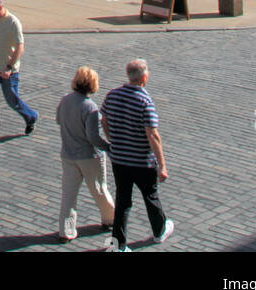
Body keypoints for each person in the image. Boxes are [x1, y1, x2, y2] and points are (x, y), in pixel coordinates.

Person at [101, 58, 173, 253]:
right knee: (151, 196)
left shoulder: (112, 95)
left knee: (123, 201)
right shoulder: (145, 101)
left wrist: (113, 139)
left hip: (119, 160)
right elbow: (153, 135)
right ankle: (159, 231)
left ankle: (118, 245)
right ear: (144, 77)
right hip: (142, 162)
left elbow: (104, 120)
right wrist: (162, 164)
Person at [55, 67, 115, 241]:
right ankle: (110, 218)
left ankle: (66, 231)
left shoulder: (65, 99)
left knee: (68, 194)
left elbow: (59, 120)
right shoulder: (91, 107)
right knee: (100, 189)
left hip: (67, 154)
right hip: (89, 157)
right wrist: (108, 147)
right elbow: (93, 137)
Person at [0, 0, 38, 145]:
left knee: (12, 101)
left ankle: (31, 116)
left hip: (8, 71)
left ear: (0, 8)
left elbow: (20, 47)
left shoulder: (13, 22)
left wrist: (9, 67)